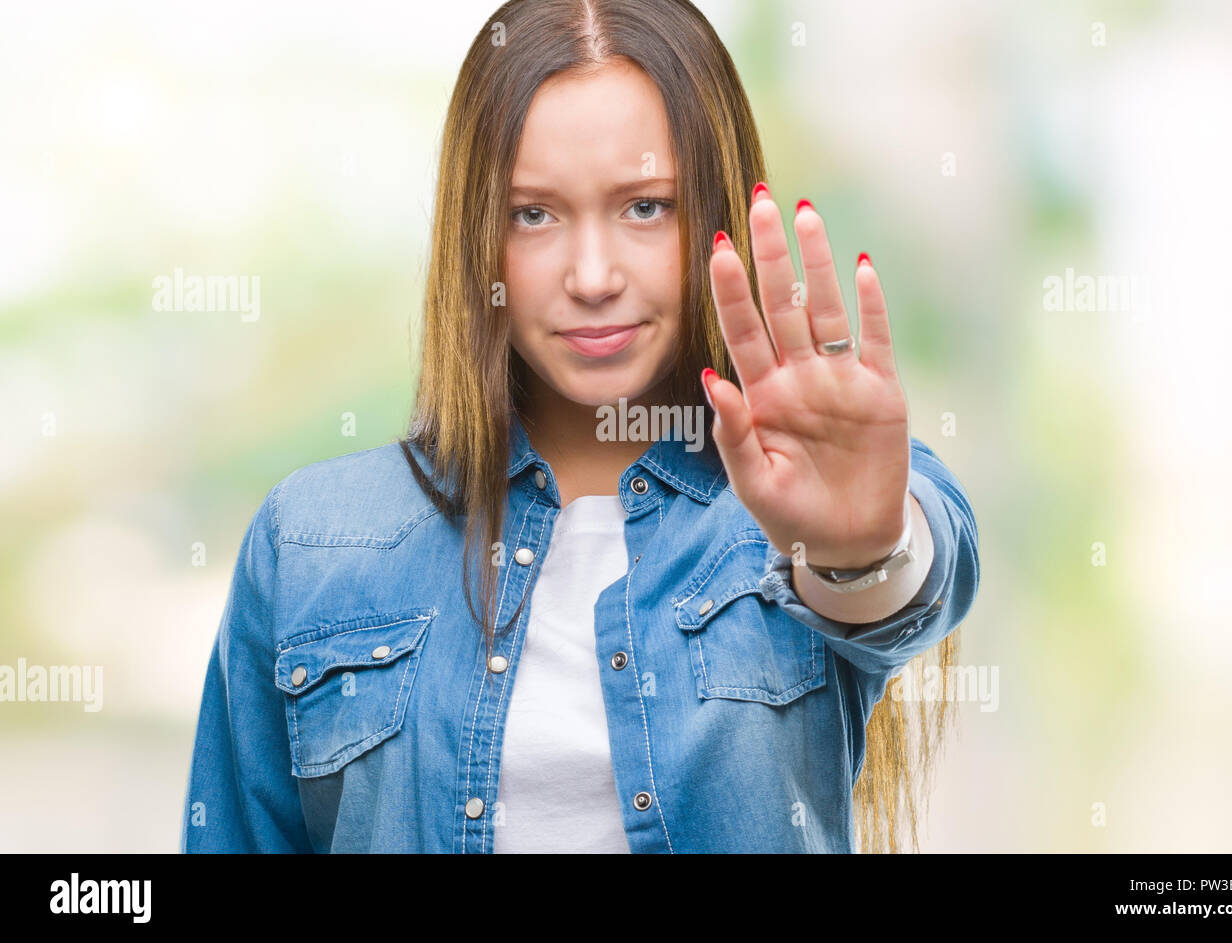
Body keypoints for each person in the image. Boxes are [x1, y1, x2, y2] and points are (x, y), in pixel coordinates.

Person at [181, 0, 979, 854]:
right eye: (534, 213)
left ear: (711, 208)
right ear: (476, 236)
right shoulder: (311, 542)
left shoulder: (813, 499)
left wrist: (860, 553)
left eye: (645, 207)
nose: (592, 276)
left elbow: (917, 576)